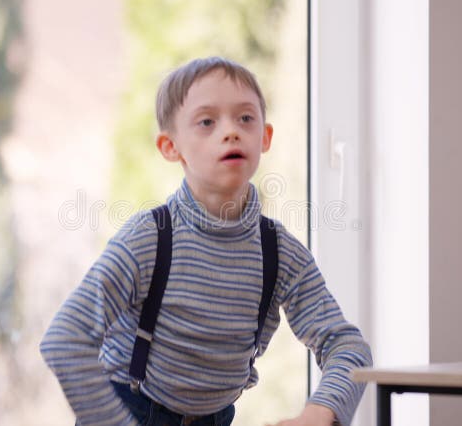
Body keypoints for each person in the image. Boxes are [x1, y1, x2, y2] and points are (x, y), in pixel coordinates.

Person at [41, 56, 372, 426]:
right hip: (131, 411)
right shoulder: (147, 240)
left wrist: (319, 414)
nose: (230, 131)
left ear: (265, 137)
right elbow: (65, 339)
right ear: (171, 147)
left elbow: (348, 347)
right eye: (207, 122)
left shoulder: (280, 254)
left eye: (245, 118)